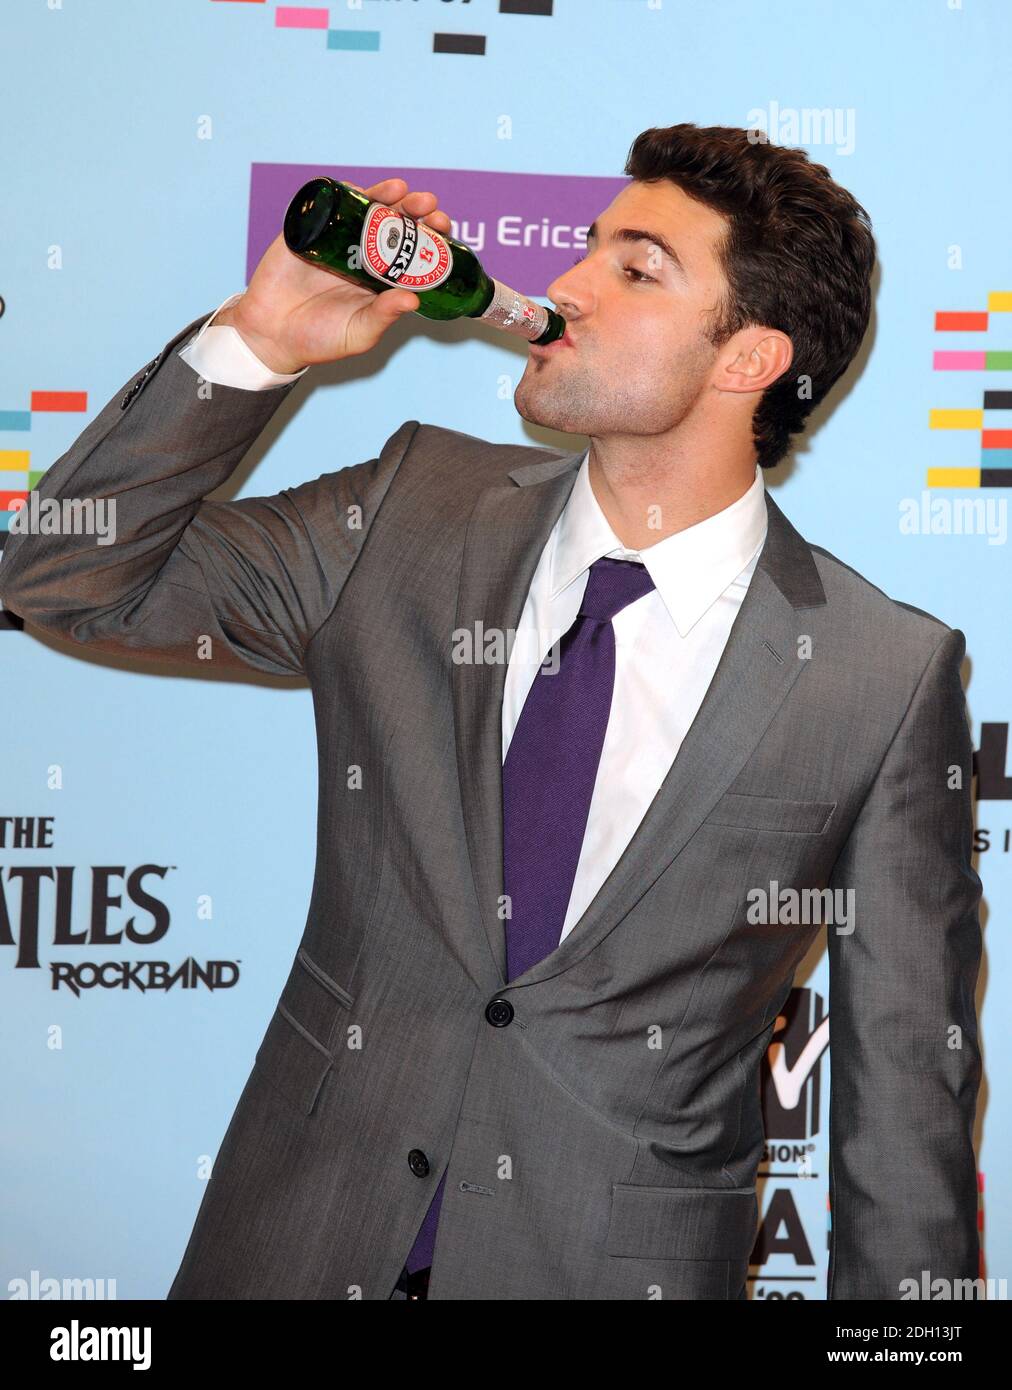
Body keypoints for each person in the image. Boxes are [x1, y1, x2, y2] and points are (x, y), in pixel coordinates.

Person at [0, 124, 982, 1301]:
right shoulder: (410, 514)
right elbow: (62, 577)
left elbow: (904, 1110)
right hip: (294, 1252)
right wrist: (261, 341)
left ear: (749, 359)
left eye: (635, 268)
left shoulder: (877, 672)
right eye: (586, 249)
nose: (566, 284)